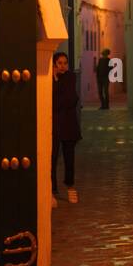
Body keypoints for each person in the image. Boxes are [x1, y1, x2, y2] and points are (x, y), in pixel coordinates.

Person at [52, 51, 81, 205]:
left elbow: (72, 99)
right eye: (59, 63)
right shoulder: (50, 79)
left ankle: (70, 186)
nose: (63, 66)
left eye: (65, 63)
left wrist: (59, 102)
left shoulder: (71, 77)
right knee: (52, 157)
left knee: (69, 158)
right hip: (55, 125)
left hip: (68, 125)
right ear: (54, 64)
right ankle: (52, 189)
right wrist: (55, 80)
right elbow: (53, 102)